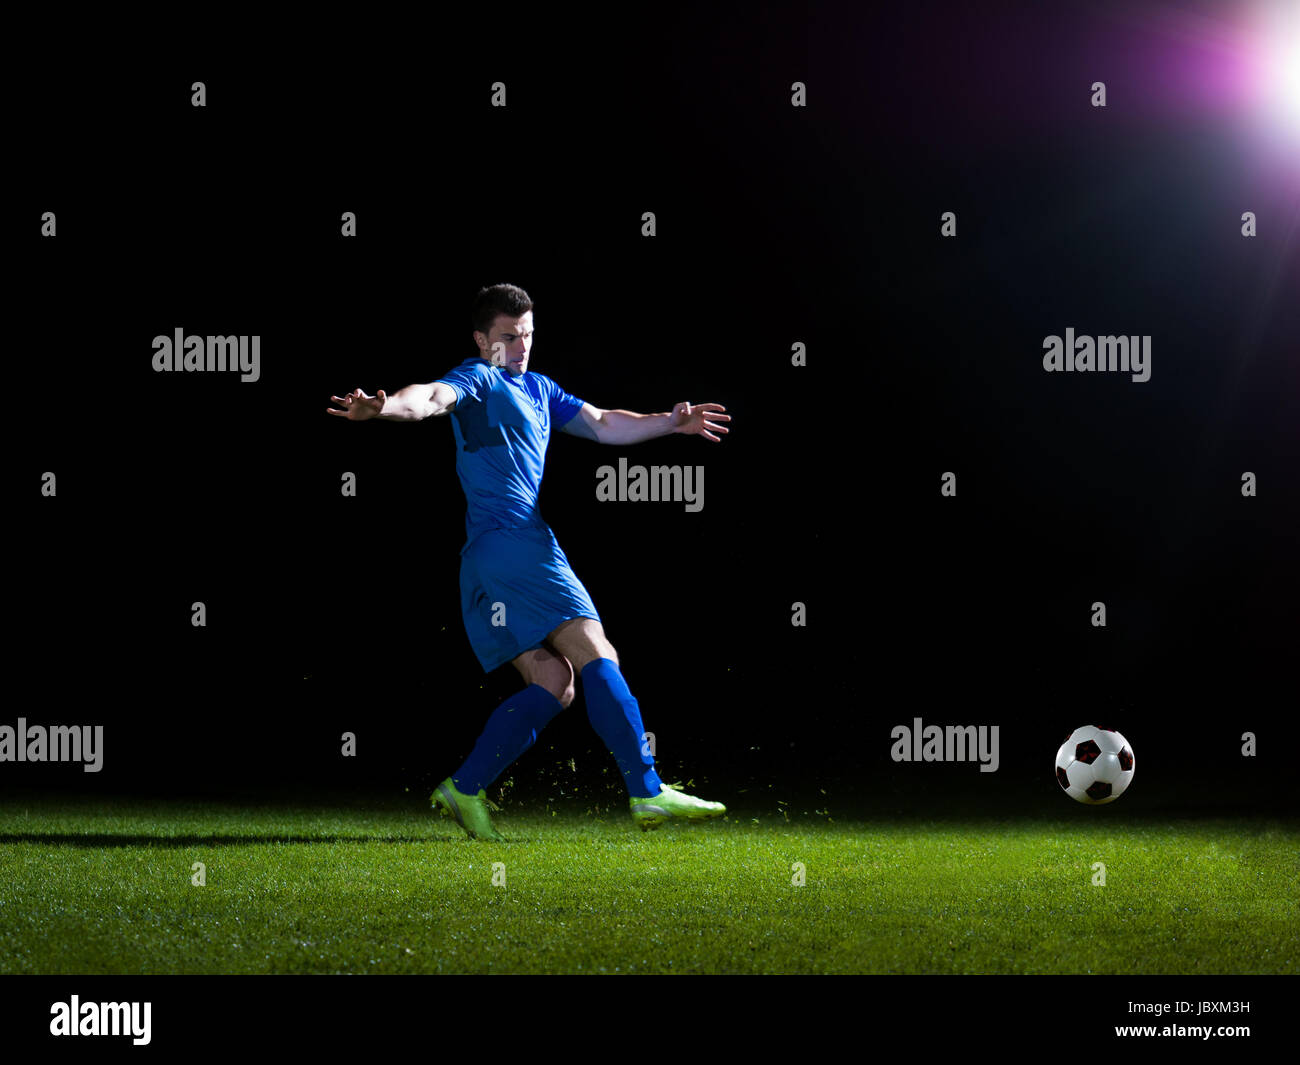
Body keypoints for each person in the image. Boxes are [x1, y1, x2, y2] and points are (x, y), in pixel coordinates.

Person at [327, 283, 731, 840]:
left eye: (528, 336)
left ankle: (465, 787)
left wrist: (670, 421)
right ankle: (646, 790)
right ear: (481, 339)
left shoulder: (539, 388)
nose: (519, 347)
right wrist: (386, 409)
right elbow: (431, 398)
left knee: (554, 681)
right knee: (595, 649)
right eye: (507, 338)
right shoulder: (479, 378)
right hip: (516, 544)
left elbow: (602, 423)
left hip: (486, 561)